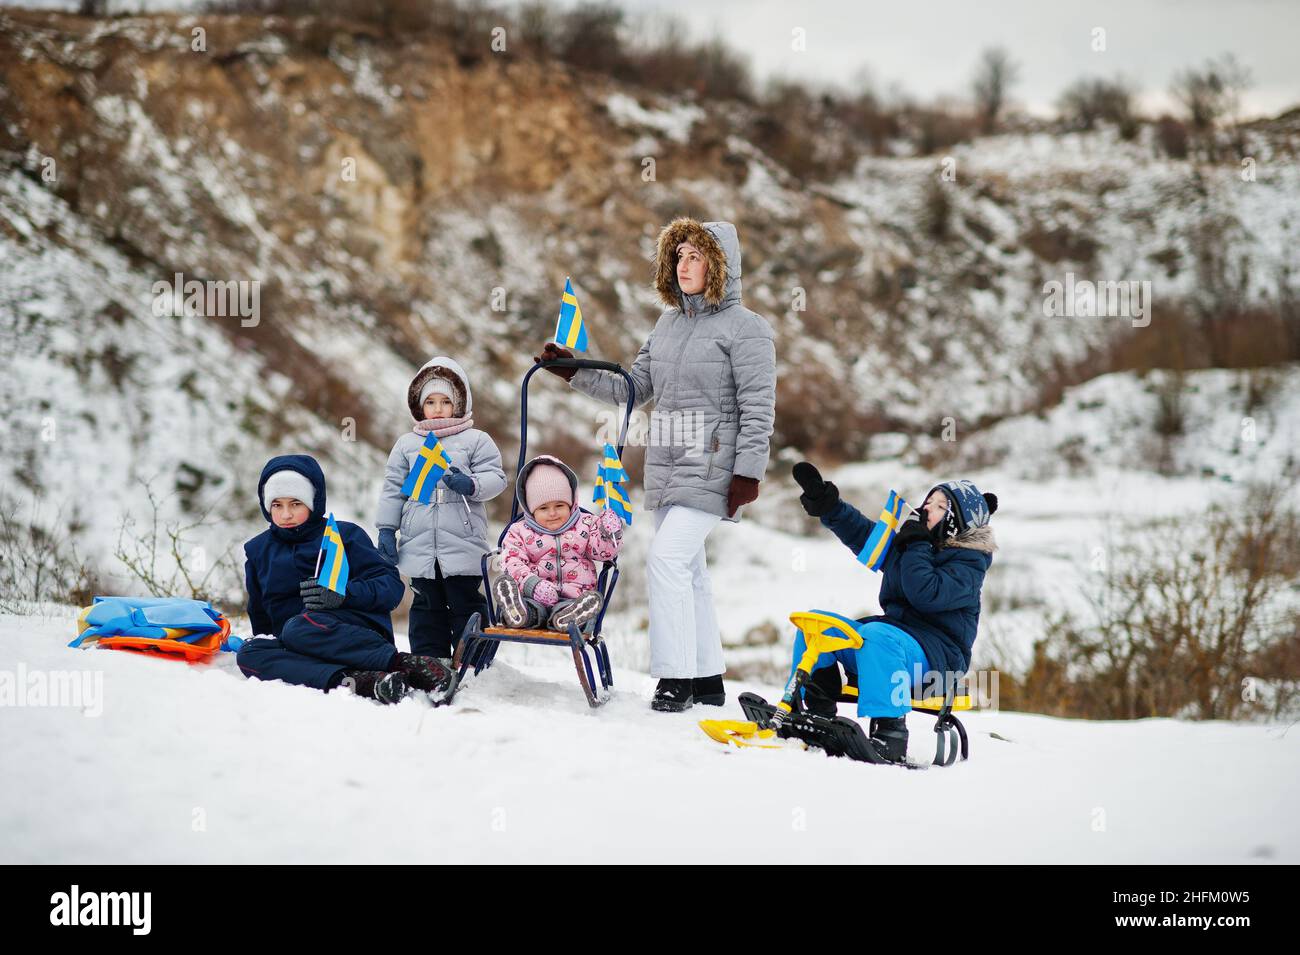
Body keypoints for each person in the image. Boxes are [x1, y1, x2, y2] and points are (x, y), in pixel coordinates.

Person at [537, 218, 776, 712]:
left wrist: (748, 471)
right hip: (669, 467)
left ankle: (675, 679)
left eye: (695, 256)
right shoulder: (667, 325)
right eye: (679, 256)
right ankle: (708, 679)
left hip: (714, 466)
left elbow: (758, 408)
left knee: (666, 561)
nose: (684, 265)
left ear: (720, 265)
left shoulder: (747, 329)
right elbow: (633, 389)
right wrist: (573, 369)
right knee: (689, 571)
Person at [790, 462, 998, 762]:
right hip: (892, 645)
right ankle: (814, 711)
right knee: (817, 626)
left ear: (957, 522)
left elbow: (926, 593)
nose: (927, 508)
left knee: (876, 635)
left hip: (938, 660)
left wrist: (915, 543)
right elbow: (864, 535)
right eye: (928, 500)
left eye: (940, 506)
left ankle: (890, 735)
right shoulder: (915, 544)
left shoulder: (969, 563)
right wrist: (829, 506)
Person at [236, 454, 451, 703]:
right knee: (250, 652)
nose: (286, 514)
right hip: (300, 647)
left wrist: (343, 594)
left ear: (313, 501)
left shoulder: (344, 535)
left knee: (298, 627)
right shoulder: (258, 550)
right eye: (277, 505)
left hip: (354, 637)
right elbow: (260, 615)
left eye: (295, 503)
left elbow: (391, 587)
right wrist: (269, 645)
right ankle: (362, 681)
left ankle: (408, 665)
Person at [375, 357, 506, 665]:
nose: (437, 408)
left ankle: (474, 662)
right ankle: (429, 662)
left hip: (463, 542)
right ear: (419, 406)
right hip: (419, 543)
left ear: (459, 403)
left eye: (445, 401)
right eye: (430, 401)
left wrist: (471, 484)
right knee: (426, 606)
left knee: (466, 604)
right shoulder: (407, 444)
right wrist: (386, 529)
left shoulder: (476, 440)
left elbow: (496, 478)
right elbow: (393, 489)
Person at [492, 455, 625, 632]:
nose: (553, 513)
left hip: (575, 598)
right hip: (534, 595)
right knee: (533, 609)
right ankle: (518, 611)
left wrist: (608, 533)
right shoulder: (519, 531)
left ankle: (569, 618)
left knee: (577, 611)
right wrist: (533, 584)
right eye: (543, 508)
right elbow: (511, 562)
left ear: (571, 504)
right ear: (531, 510)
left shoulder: (586, 524)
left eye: (560, 505)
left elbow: (605, 553)